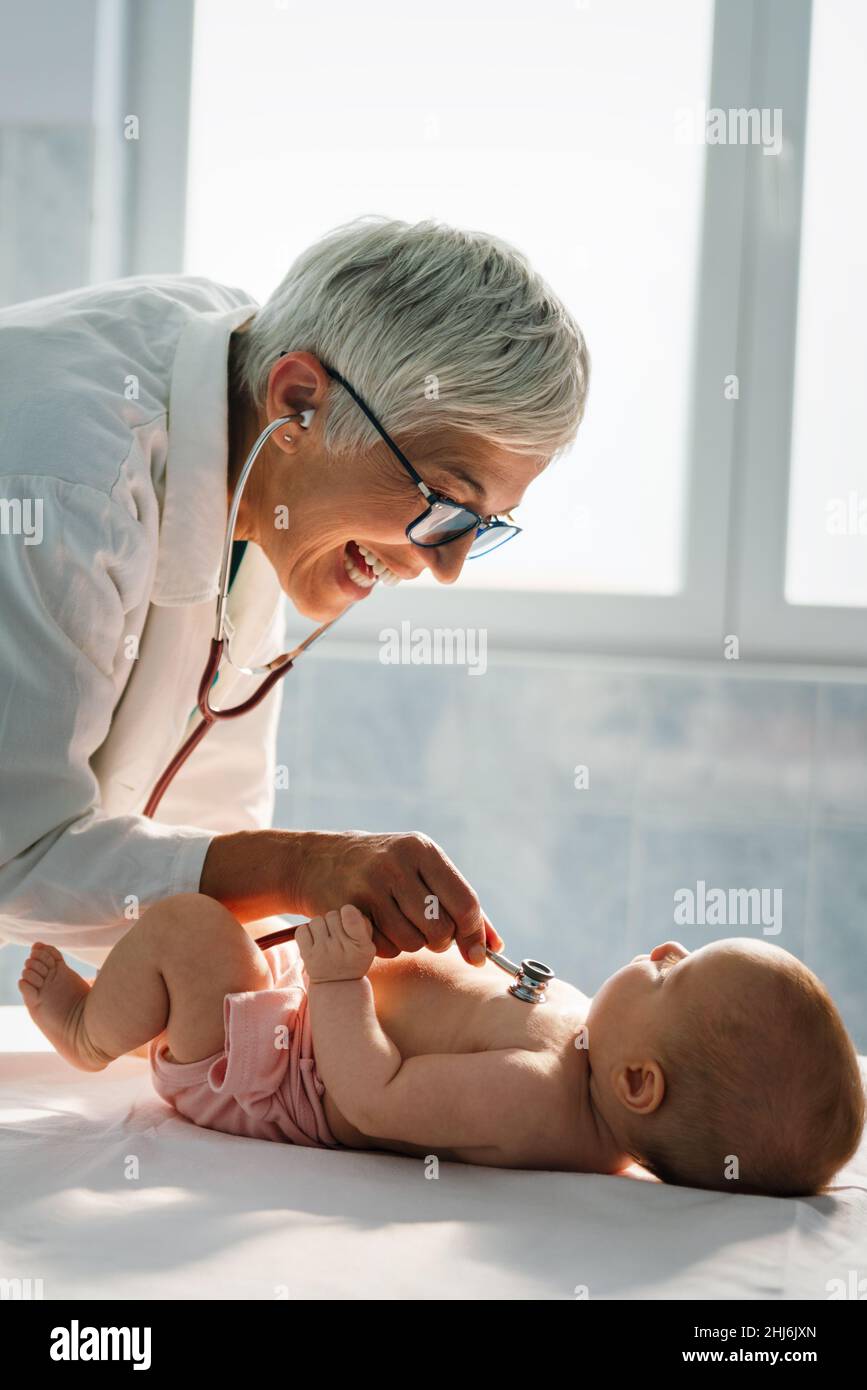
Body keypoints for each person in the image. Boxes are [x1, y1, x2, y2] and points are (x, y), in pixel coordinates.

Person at [0, 216, 589, 972]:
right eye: (442, 502)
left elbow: (208, 828)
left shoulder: (255, 451)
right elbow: (14, 853)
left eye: (482, 526)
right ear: (298, 400)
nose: (447, 568)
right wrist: (302, 869)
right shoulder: (66, 481)